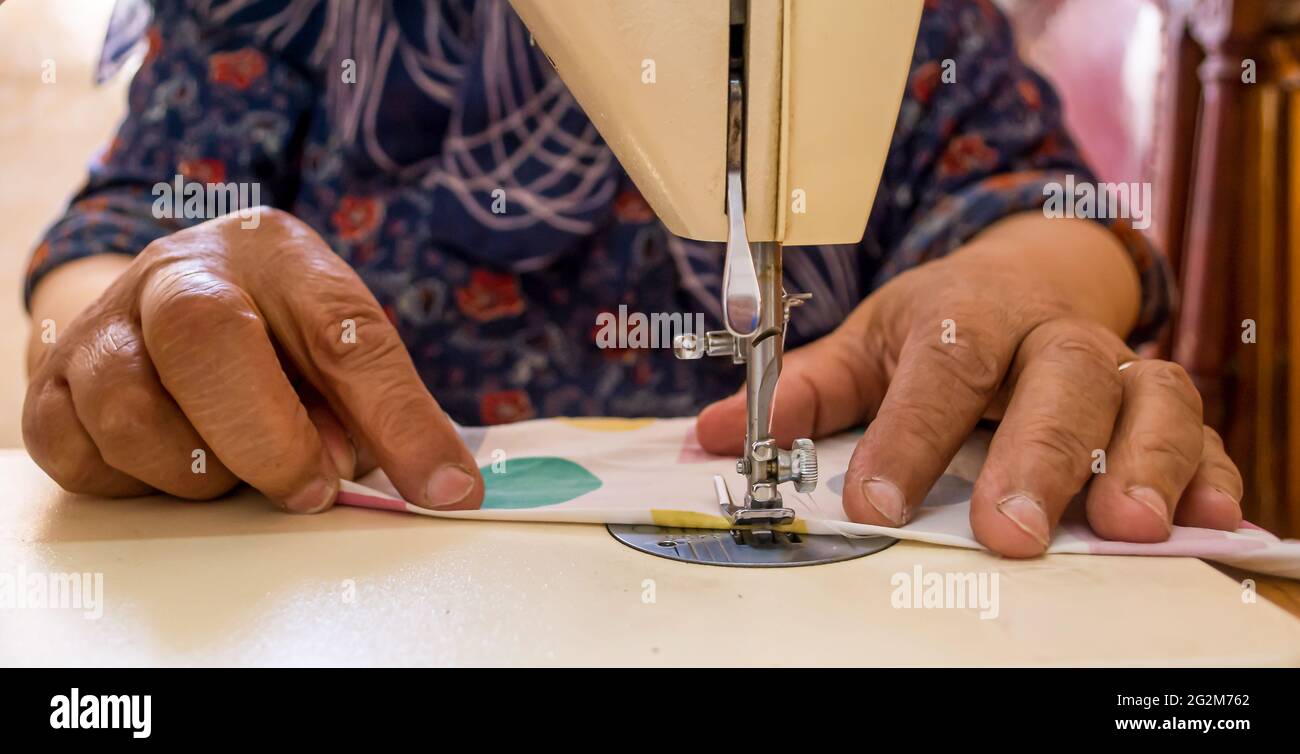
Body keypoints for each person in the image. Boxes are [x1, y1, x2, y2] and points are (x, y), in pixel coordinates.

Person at [23, 0, 1242, 558]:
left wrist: (1011, 289)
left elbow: (1038, 202)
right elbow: (130, 231)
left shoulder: (915, 25)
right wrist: (140, 328)